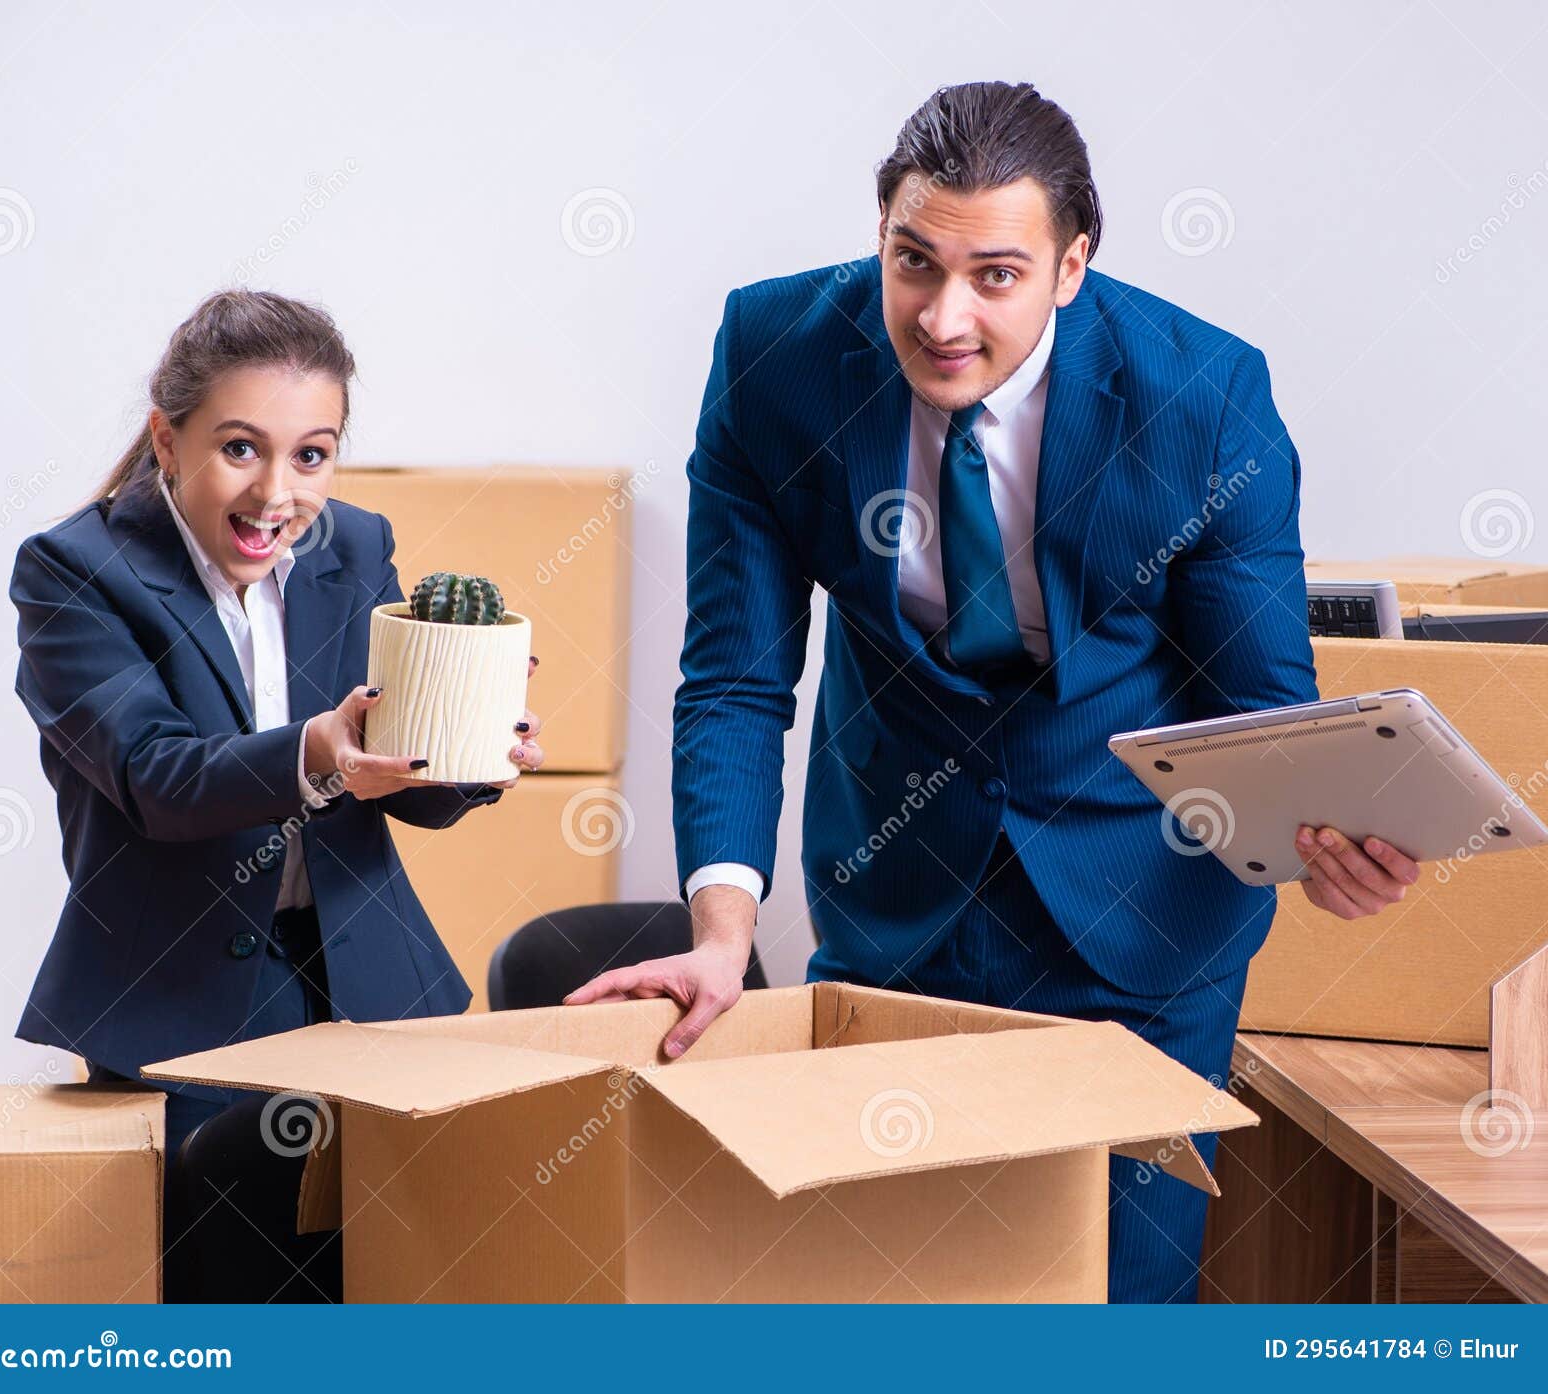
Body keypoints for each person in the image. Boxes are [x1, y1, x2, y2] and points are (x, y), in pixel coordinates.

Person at [567, 81, 1419, 1303]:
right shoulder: (776, 362)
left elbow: (1257, 704)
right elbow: (737, 677)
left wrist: (1326, 833)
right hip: (895, 907)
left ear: (1072, 266)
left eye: (996, 275)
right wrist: (723, 931)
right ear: (880, 233)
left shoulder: (1200, 396)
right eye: (912, 262)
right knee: (889, 1298)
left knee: (1109, 1315)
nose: (943, 315)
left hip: (1137, 921)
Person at [9, 289, 545, 1302]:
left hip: (368, 981)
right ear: (168, 441)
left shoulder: (354, 545)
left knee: (394, 1285)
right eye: (240, 447)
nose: (278, 492)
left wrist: (467, 752)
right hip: (188, 1003)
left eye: (311, 453)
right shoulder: (75, 574)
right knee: (234, 1303)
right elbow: (155, 776)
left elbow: (387, 770)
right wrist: (319, 749)